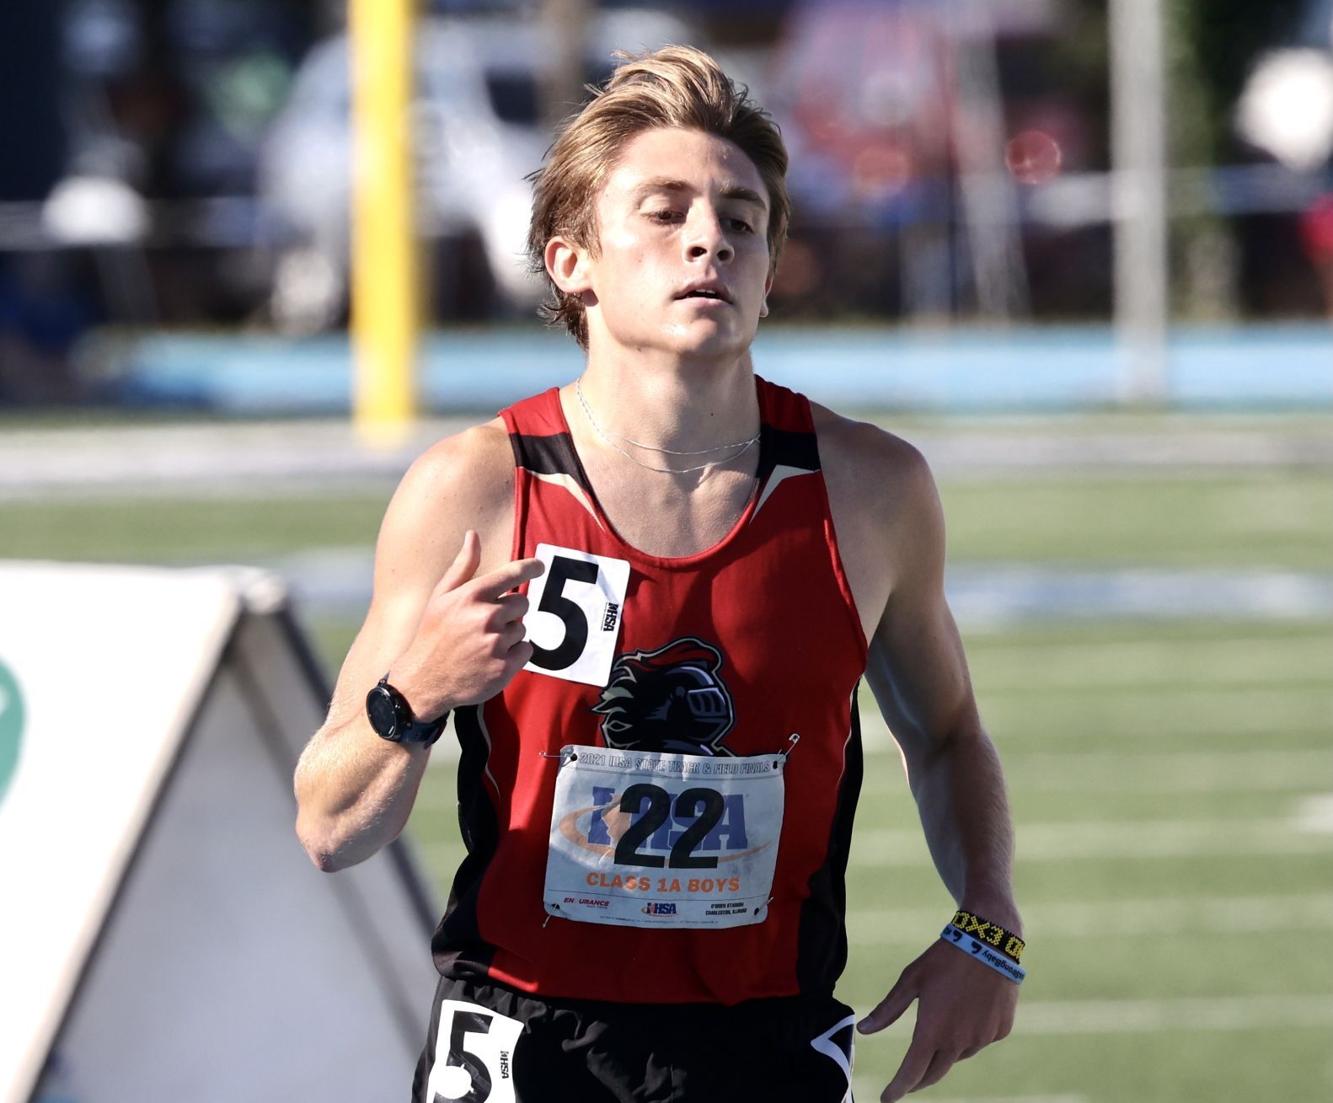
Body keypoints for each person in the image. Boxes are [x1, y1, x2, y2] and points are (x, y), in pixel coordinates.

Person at [294, 46, 1023, 1103]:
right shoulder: (477, 490)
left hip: (766, 1043)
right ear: (570, 261)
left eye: (740, 217)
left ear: (770, 265)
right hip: (521, 1039)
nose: (708, 238)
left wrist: (989, 924)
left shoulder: (871, 489)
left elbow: (947, 733)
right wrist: (415, 692)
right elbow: (327, 824)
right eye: (664, 210)